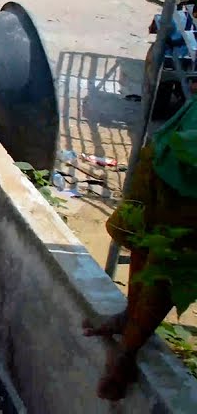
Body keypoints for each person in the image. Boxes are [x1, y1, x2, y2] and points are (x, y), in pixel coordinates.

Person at [84, 99, 197, 400]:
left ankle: (128, 348)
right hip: (176, 146)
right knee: (142, 233)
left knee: (172, 260)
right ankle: (130, 316)